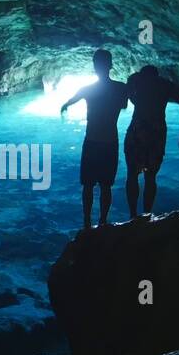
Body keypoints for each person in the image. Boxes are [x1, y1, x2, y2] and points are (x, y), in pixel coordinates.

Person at [60, 49, 128, 229]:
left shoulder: (87, 89)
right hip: (110, 141)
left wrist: (64, 107)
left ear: (94, 67)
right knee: (106, 185)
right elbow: (124, 106)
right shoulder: (121, 88)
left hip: (92, 141)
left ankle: (87, 222)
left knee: (88, 185)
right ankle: (103, 221)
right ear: (111, 65)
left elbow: (69, 102)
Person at [123, 65, 179, 219]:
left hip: (138, 129)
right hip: (157, 130)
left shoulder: (136, 80)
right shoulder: (166, 85)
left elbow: (124, 100)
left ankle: (133, 215)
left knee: (132, 174)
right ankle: (147, 214)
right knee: (151, 176)